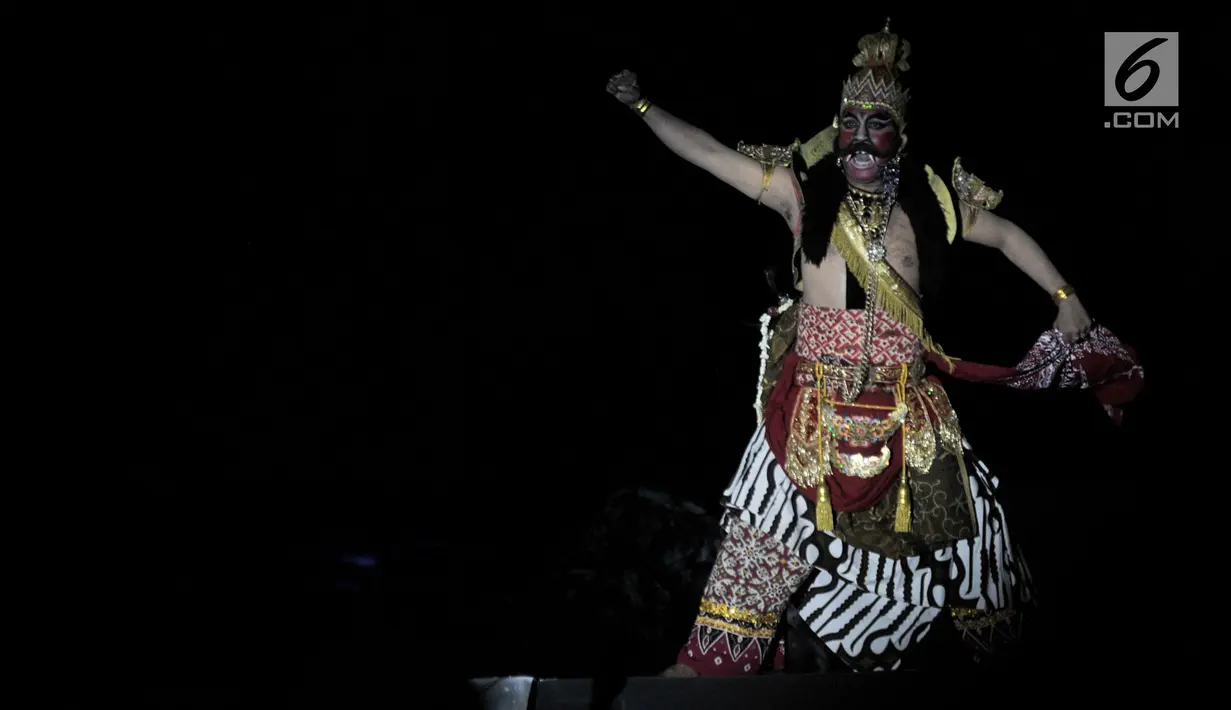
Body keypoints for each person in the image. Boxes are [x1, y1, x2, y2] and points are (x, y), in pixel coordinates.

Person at [605, 20, 1143, 674]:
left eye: (877, 124)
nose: (860, 137)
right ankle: (700, 671)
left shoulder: (933, 207)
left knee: (978, 535)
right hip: (809, 413)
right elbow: (708, 153)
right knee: (761, 534)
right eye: (849, 123)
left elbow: (1005, 235)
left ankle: (1010, 664)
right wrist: (643, 105)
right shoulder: (800, 197)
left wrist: (1065, 298)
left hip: (907, 414)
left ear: (901, 139)